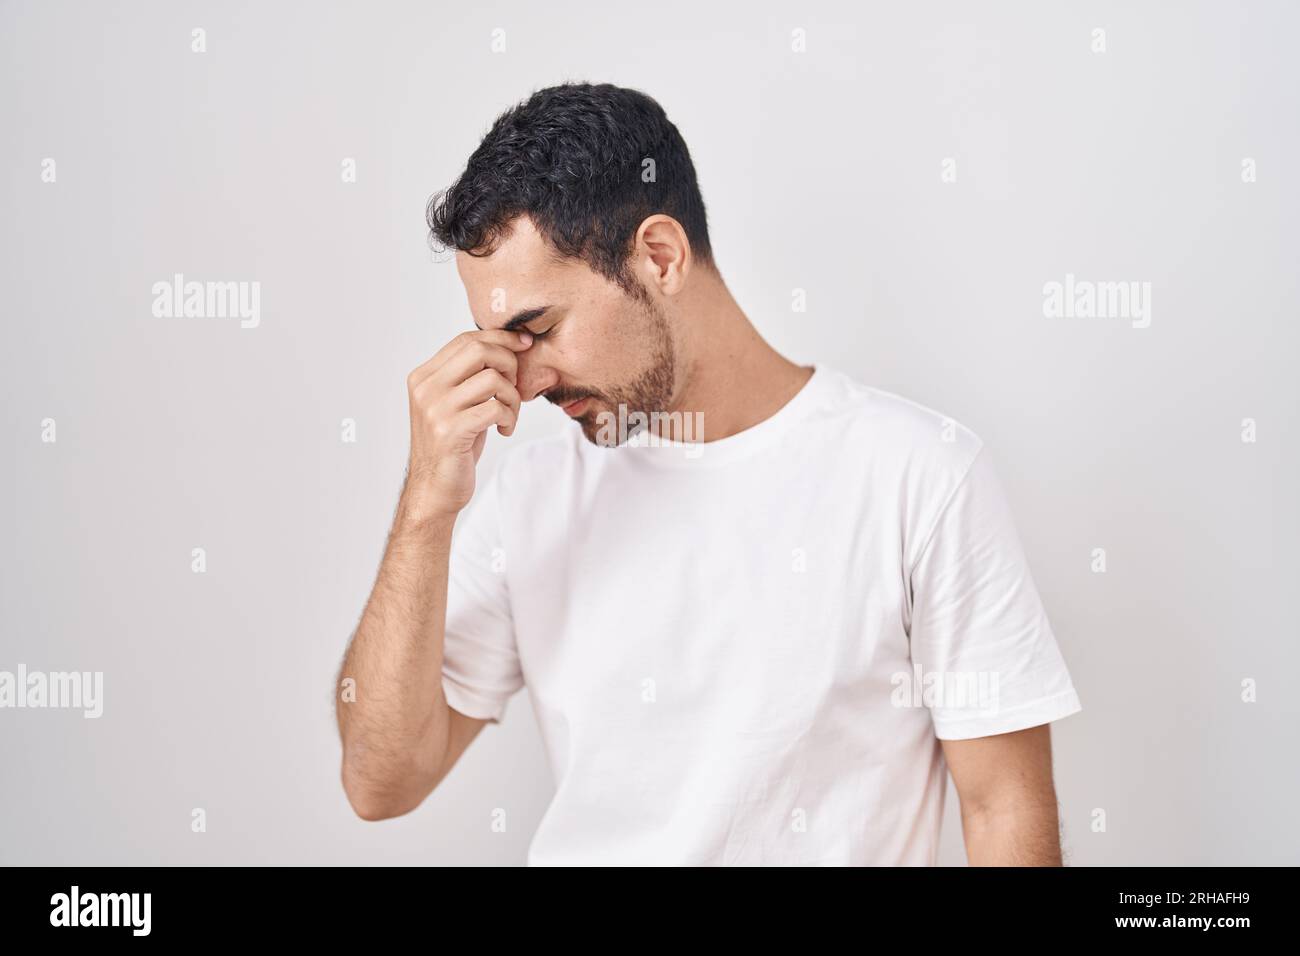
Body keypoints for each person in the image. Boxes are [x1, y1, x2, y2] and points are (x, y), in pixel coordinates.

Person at [335, 82, 1082, 865]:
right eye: (503, 344)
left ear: (660, 257)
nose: (524, 382)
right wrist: (426, 508)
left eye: (540, 329)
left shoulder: (918, 475)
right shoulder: (533, 495)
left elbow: (1002, 810)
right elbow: (380, 785)